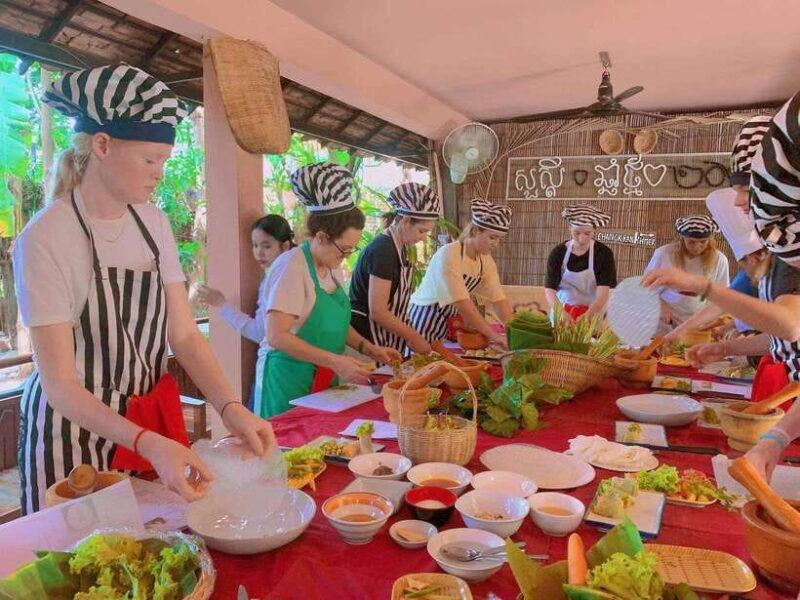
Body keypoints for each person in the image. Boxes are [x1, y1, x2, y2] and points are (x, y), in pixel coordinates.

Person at [13, 64, 275, 514]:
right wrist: (149, 444)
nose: (158, 173)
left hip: (145, 425)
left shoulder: (151, 222)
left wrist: (231, 406)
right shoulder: (46, 237)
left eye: (164, 162)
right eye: (150, 159)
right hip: (74, 435)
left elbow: (186, 335)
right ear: (102, 145)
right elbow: (59, 384)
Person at [641, 96, 800, 480]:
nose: (741, 203)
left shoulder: (790, 264)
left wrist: (704, 287)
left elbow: (790, 326)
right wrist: (776, 438)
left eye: (750, 190)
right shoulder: (785, 260)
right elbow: (783, 341)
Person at [260, 162, 402, 417]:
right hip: (288, 378)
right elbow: (277, 336)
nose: (346, 257)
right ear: (322, 237)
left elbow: (336, 324)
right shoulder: (291, 267)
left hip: (323, 376)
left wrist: (368, 349)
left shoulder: (330, 264)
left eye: (351, 251)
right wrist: (336, 361)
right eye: (344, 250)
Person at [665, 118, 772, 343]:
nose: (739, 202)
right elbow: (724, 302)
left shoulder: (785, 267)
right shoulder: (751, 276)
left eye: (745, 191)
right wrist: (678, 333)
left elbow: (788, 329)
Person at [196, 214, 295, 408]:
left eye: (266, 246)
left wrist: (222, 304)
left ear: (285, 246)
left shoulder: (277, 279)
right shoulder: (293, 271)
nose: (259, 253)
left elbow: (260, 332)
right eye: (255, 245)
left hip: (277, 371)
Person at [350, 183, 440, 356]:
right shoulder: (383, 250)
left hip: (384, 338)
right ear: (405, 221)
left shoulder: (399, 247)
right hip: (365, 338)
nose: (422, 238)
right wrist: (413, 337)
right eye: (421, 231)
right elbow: (378, 311)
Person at [408, 198, 512, 347]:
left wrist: (512, 332)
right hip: (424, 321)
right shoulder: (449, 254)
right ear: (475, 231)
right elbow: (462, 303)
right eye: (492, 237)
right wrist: (494, 336)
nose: (496, 244)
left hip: (449, 324)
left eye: (499, 239)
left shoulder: (485, 261)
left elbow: (499, 300)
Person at [644, 215, 729, 333]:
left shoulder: (720, 260)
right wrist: (660, 305)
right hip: (665, 318)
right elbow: (646, 285)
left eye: (703, 242)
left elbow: (720, 296)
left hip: (699, 318)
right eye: (691, 242)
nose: (697, 247)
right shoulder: (664, 253)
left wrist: (708, 321)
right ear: (682, 239)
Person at [544, 205, 617, 320]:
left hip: (593, 312)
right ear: (570, 230)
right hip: (561, 311)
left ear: (594, 232)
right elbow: (550, 290)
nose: (581, 239)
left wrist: (587, 316)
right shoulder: (558, 253)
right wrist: (562, 314)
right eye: (576, 233)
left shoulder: (603, 254)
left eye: (587, 233)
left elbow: (603, 293)